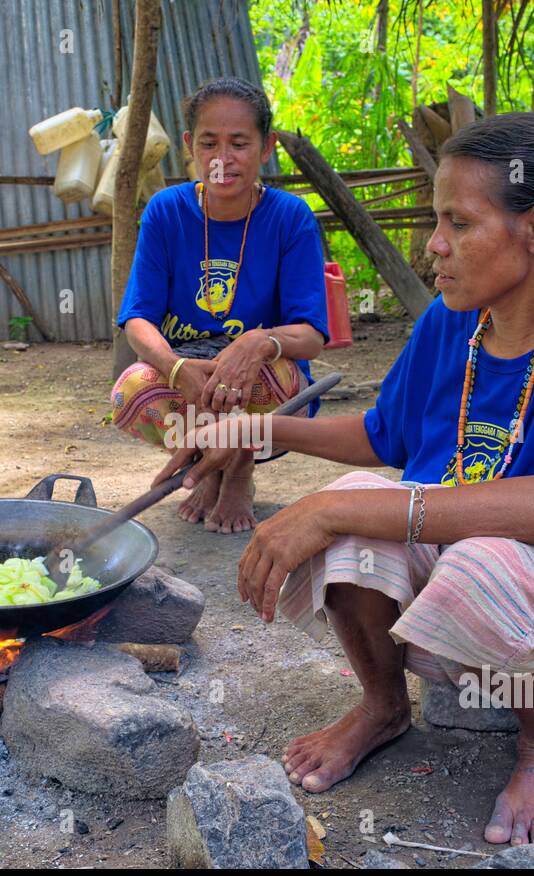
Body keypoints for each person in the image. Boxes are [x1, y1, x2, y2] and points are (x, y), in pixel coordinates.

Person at [157, 112, 534, 845]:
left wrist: (332, 515)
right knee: (355, 502)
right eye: (436, 221)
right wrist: (254, 430)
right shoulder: (449, 324)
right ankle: (385, 704)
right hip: (458, 608)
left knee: (454, 546)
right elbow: (381, 435)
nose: (434, 246)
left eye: (458, 223)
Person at [111, 77, 329, 534]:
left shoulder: (290, 218)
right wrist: (176, 368)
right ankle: (209, 465)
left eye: (239, 143)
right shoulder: (166, 211)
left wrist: (256, 343)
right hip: (188, 379)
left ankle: (239, 469)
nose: (222, 159)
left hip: (263, 382)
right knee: (133, 389)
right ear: (189, 145)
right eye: (209, 142)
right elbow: (137, 320)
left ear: (266, 147)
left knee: (268, 379)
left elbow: (309, 335)